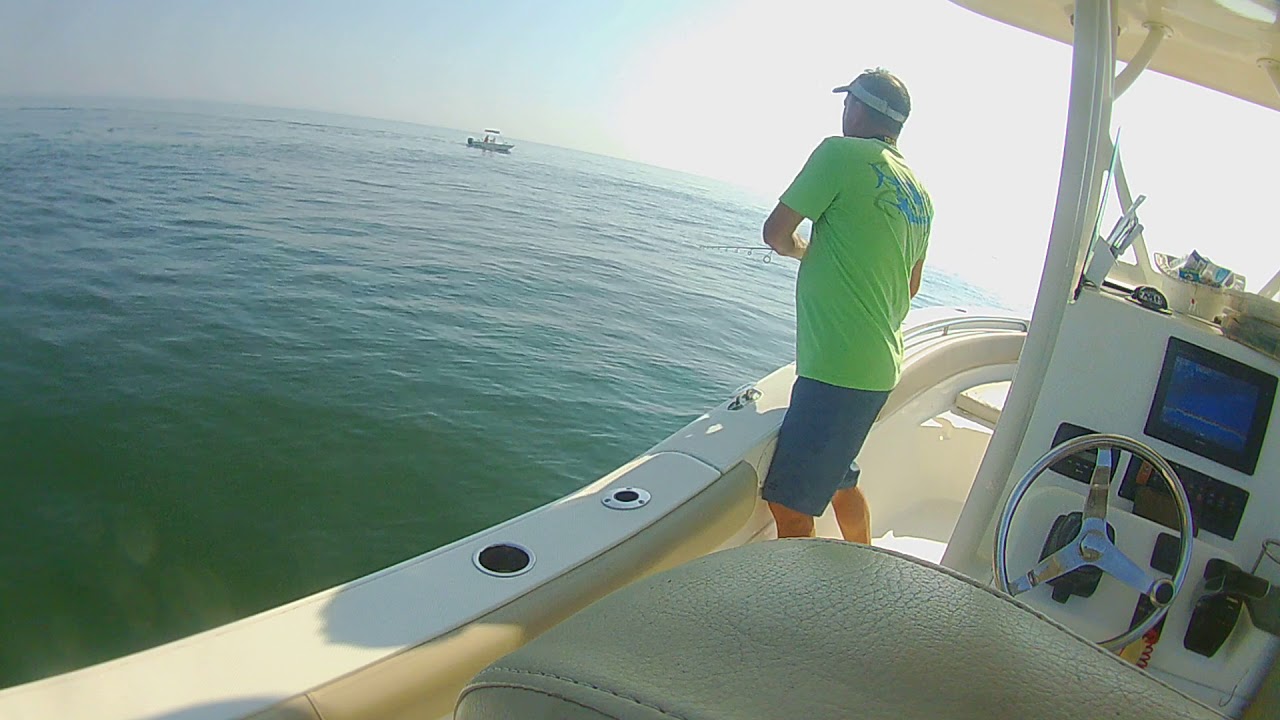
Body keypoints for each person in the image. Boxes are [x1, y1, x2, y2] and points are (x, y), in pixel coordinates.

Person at [760, 68, 933, 542]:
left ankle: (801, 610)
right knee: (840, 483)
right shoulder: (918, 191)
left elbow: (775, 233)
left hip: (837, 371)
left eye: (846, 104)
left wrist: (804, 250)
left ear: (857, 108)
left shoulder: (838, 154)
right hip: (876, 367)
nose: (843, 113)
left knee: (788, 506)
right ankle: (863, 563)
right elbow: (910, 285)